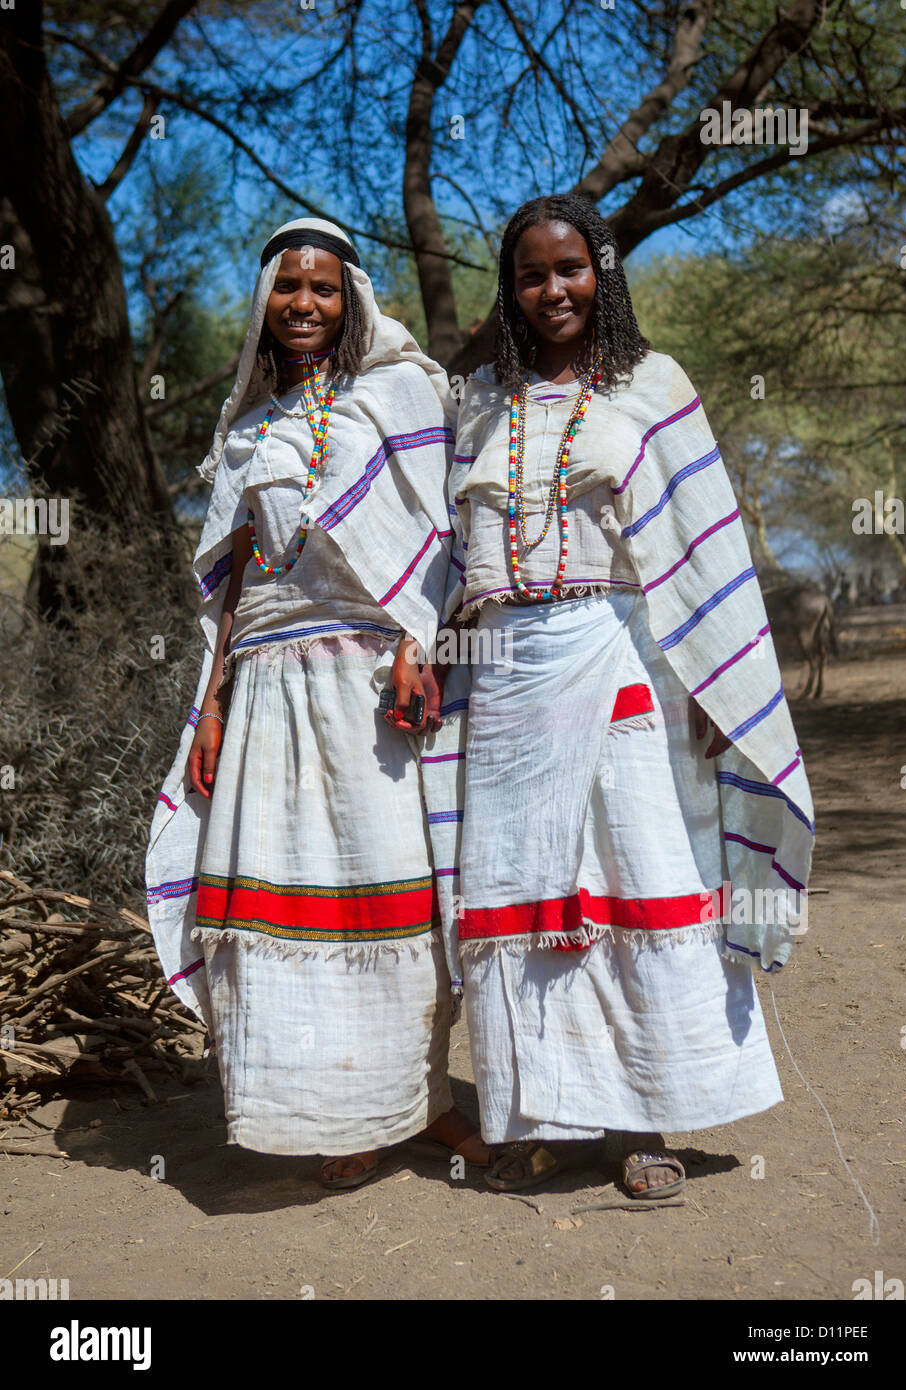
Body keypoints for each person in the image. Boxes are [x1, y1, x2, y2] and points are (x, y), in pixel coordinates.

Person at [434, 194, 814, 1196]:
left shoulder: (651, 385)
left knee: (638, 871)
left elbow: (702, 543)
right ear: (508, 290)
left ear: (603, 271)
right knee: (514, 886)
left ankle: (655, 1124)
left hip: (614, 655)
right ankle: (542, 1115)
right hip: (506, 681)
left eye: (570, 268)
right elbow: (437, 555)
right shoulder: (474, 401)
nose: (552, 288)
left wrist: (714, 682)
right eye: (530, 274)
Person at [145, 216, 489, 1189]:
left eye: (324, 288)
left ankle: (419, 1102)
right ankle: (332, 1110)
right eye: (288, 289)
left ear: (352, 300)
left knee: (398, 899)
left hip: (373, 684)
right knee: (288, 905)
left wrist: (422, 645)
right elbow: (234, 582)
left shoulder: (405, 393)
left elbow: (441, 539)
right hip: (266, 688)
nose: (305, 303)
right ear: (266, 306)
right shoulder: (250, 428)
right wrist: (211, 705)